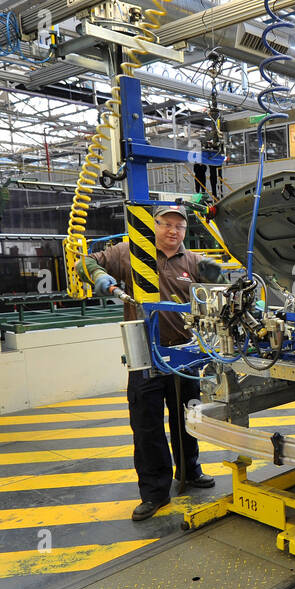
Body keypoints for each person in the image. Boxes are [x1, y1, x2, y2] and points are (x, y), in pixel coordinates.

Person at [79, 204, 223, 521]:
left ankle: (190, 470)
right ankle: (155, 493)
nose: (173, 231)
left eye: (179, 227)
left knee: (189, 419)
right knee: (147, 428)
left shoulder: (193, 260)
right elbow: (85, 262)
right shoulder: (129, 252)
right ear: (153, 224)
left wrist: (219, 273)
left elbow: (219, 285)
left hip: (184, 354)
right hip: (145, 355)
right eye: (166, 224)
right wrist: (102, 278)